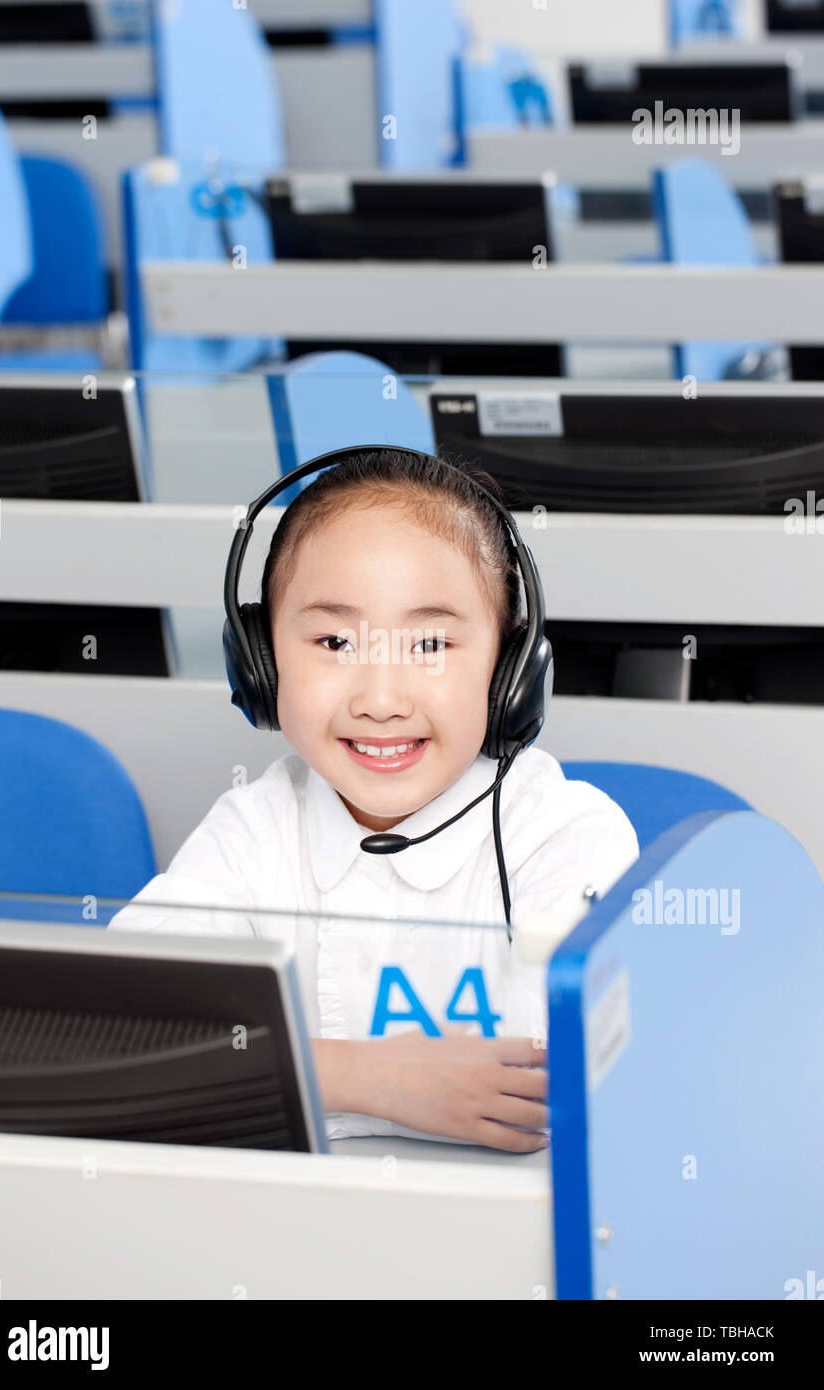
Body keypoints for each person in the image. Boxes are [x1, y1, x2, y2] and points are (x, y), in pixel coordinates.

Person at [108, 448, 639, 1151]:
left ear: (510, 668)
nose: (381, 700)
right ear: (260, 665)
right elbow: (126, 1029)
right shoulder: (255, 827)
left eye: (429, 643)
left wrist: (274, 1072)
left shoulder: (568, 835)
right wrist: (368, 1078)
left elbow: (546, 1090)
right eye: (333, 640)